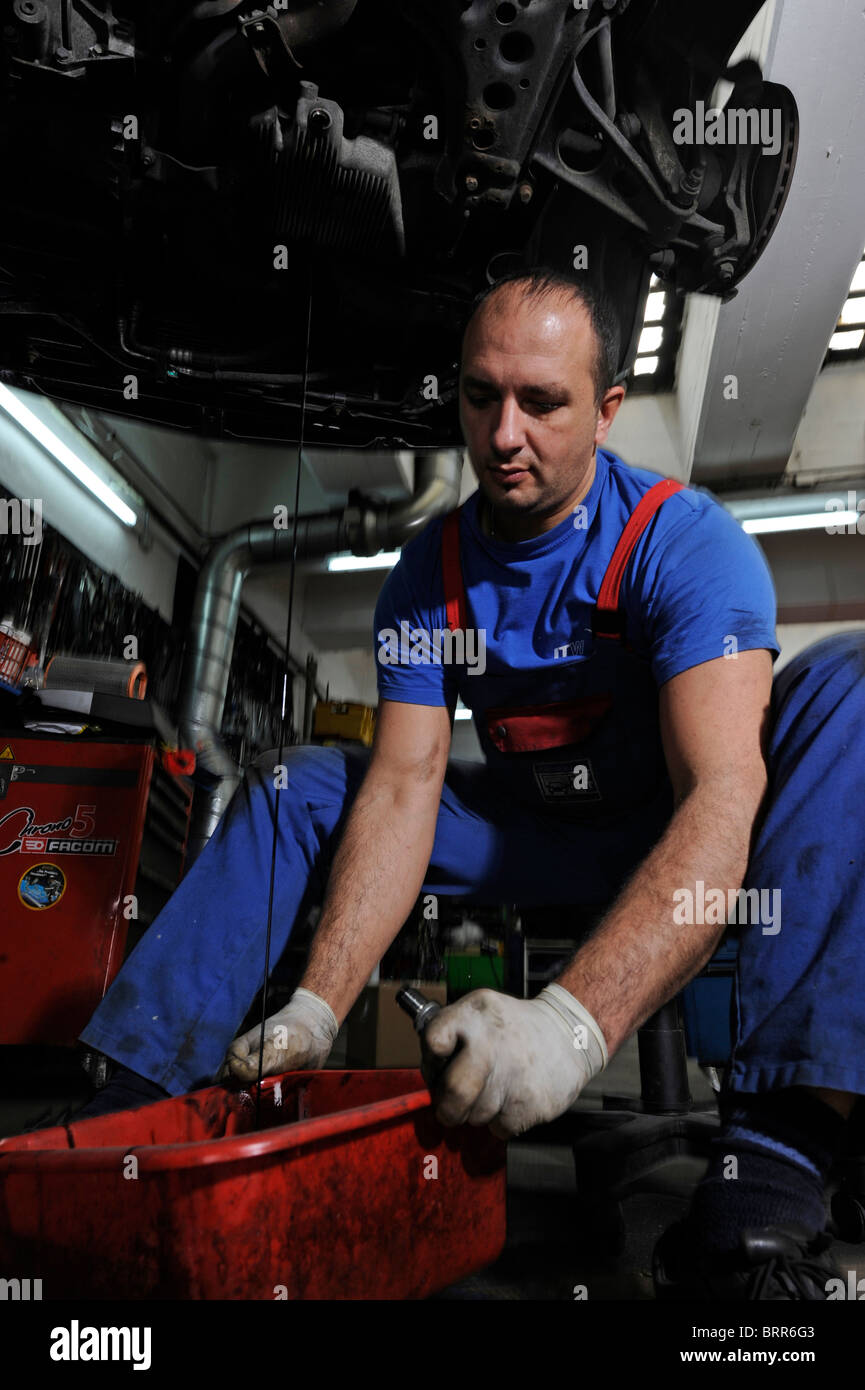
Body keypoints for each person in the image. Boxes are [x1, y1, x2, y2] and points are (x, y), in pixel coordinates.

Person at [75, 269, 865, 1300]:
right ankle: (118, 1116)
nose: (502, 434)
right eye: (480, 395)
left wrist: (569, 1025)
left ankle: (767, 1178)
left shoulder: (684, 543)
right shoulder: (426, 576)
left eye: (541, 402)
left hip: (688, 831)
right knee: (305, 779)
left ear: (608, 409)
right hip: (526, 831)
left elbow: (718, 794)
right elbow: (406, 787)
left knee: (847, 685)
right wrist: (318, 1006)